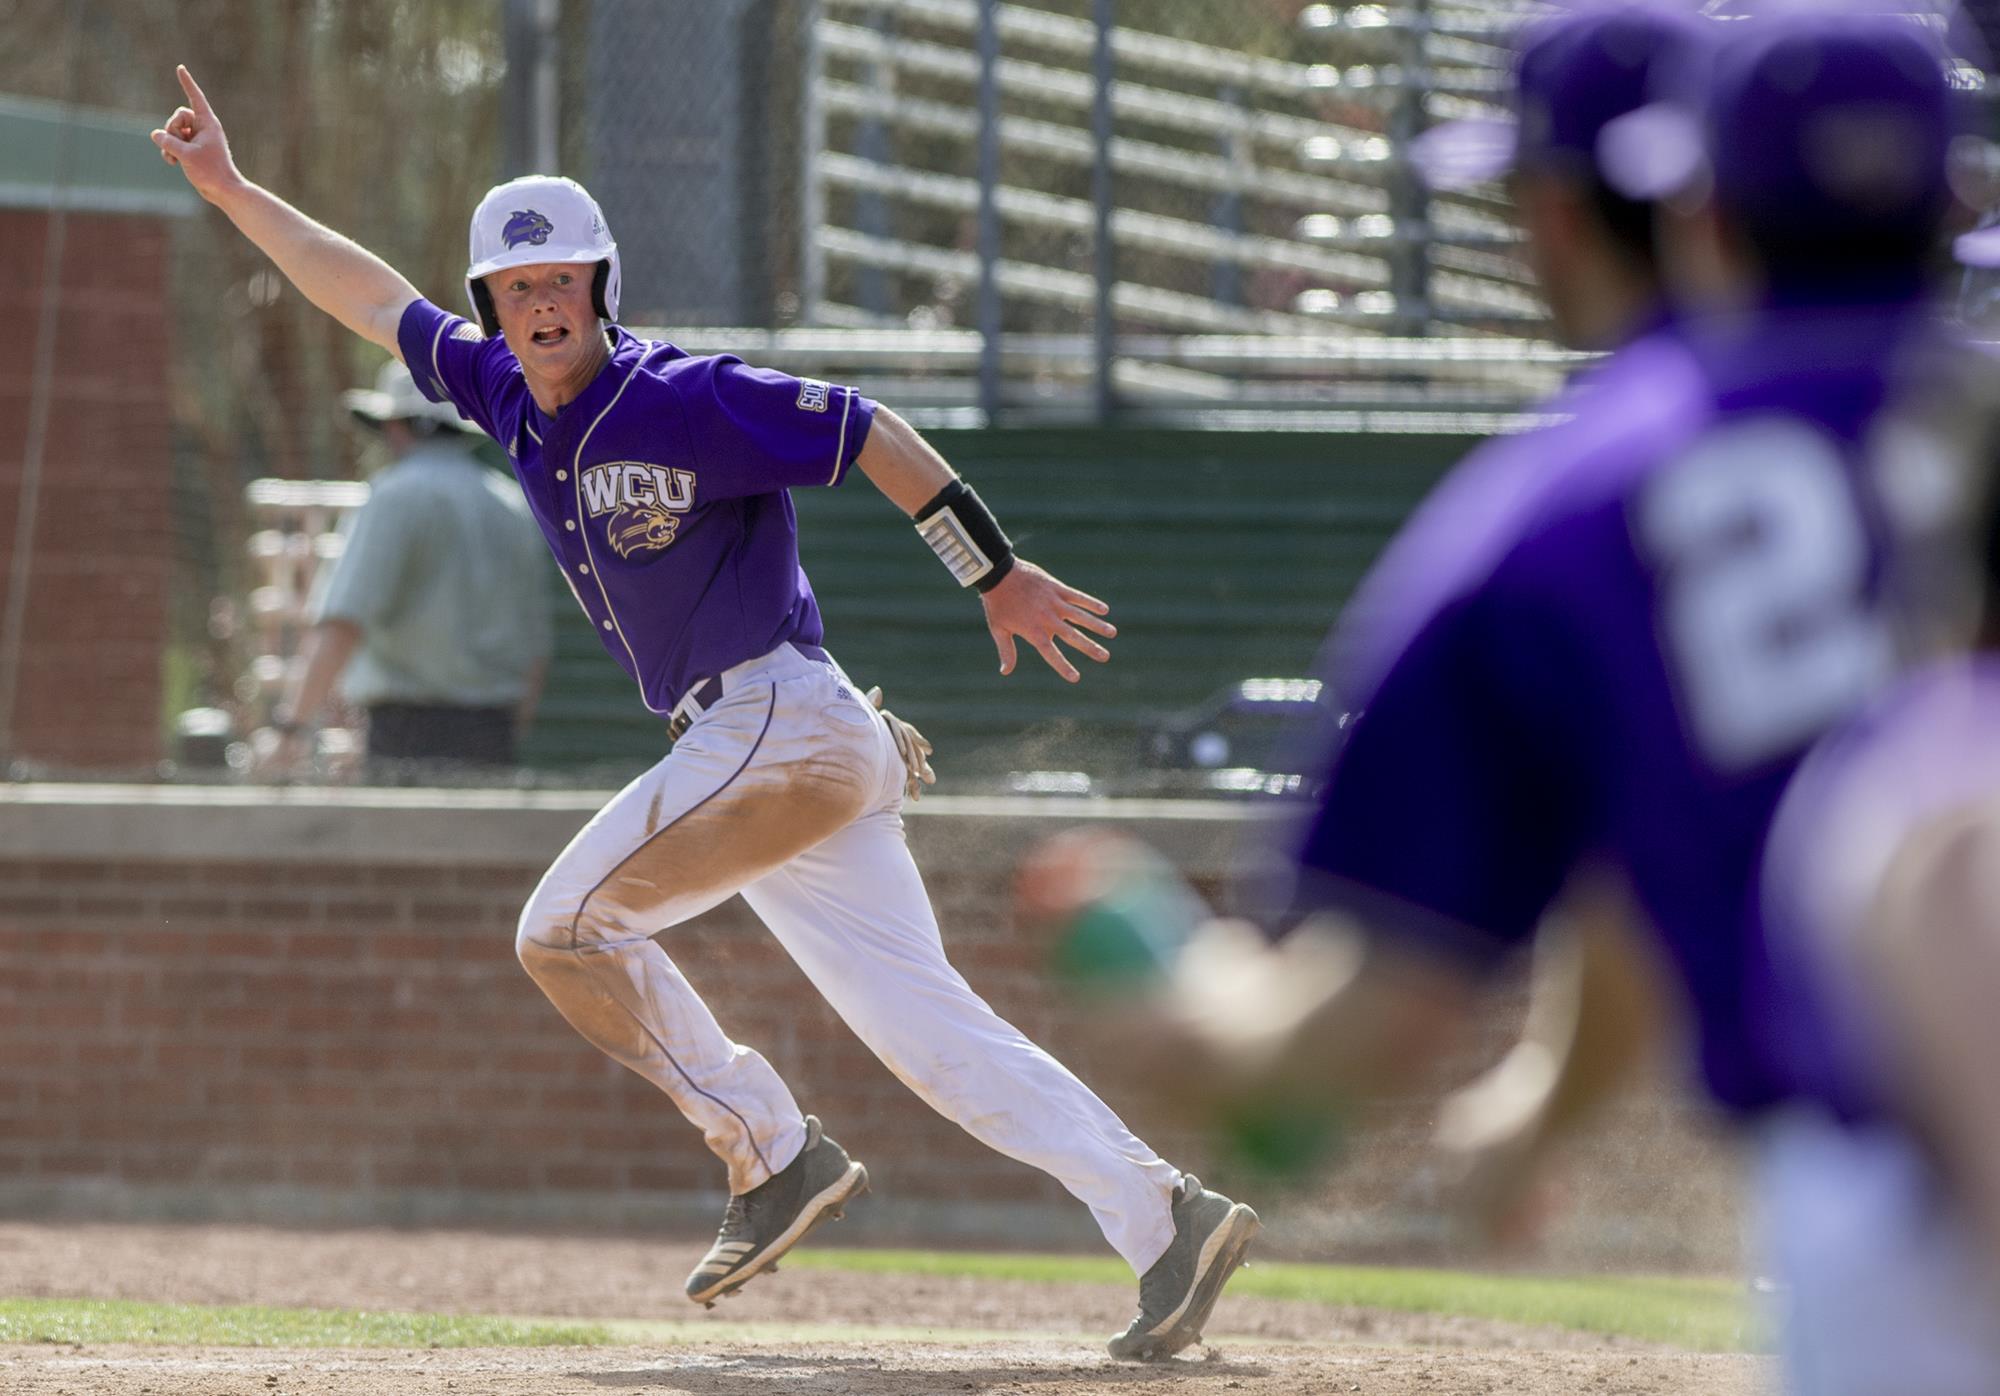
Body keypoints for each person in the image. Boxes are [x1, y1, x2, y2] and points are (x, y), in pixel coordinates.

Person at [151, 65, 1256, 1359]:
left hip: (777, 724)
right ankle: (1165, 1219)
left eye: (563, 278)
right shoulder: (503, 394)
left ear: (600, 289)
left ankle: (770, 1151)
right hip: (776, 747)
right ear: (492, 308)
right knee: (934, 1039)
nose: (542, 301)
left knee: (564, 928)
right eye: (518, 286)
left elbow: (869, 430)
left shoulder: (679, 396)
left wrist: (996, 574)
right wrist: (228, 188)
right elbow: (360, 287)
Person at [1025, 7, 1972, 1370]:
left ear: (1700, 213)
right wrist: (1546, 1102)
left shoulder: (1571, 507)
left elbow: (1370, 1021)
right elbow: (1639, 859)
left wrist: (1187, 1013)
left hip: (1916, 1228)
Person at [263, 360, 553, 781]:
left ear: (397, 426)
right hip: (495, 738)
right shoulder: (513, 507)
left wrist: (292, 728)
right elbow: (535, 651)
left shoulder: (394, 496)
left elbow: (343, 621)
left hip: (406, 738)